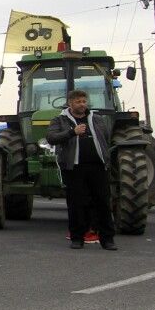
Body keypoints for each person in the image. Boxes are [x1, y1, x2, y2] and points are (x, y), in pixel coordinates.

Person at [46, 89, 117, 250]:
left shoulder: (97, 119)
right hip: (74, 167)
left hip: (98, 166)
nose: (82, 104)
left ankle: (107, 239)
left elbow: (105, 137)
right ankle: (77, 238)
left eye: (84, 101)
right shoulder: (60, 120)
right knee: (76, 203)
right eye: (78, 101)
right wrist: (72, 132)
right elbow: (51, 137)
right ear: (70, 103)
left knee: (103, 202)